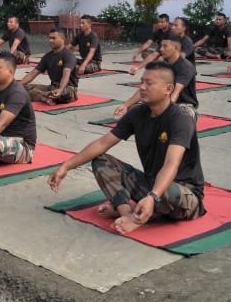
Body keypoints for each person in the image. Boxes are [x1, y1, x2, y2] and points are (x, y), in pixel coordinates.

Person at [48, 61, 205, 235]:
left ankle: (139, 215)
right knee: (101, 160)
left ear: (168, 89)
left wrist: (153, 196)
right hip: (151, 186)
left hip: (183, 195)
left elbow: (171, 164)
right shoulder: (137, 114)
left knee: (165, 189)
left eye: (149, 83)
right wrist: (66, 166)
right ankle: (127, 213)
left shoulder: (180, 118)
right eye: (142, 82)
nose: (142, 87)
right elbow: (102, 143)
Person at [114, 36, 198, 121]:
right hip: (161, 102)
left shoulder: (186, 67)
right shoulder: (161, 65)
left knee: (180, 117)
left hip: (183, 105)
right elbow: (146, 88)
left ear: (176, 48)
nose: (161, 49)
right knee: (132, 109)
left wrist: (164, 113)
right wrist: (125, 105)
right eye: (161, 46)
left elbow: (175, 93)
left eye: (165, 46)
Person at [18, 28, 78, 104]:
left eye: (54, 38)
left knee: (63, 93)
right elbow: (33, 73)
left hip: (68, 89)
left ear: (62, 39)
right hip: (52, 87)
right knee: (23, 88)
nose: (50, 40)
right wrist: (18, 85)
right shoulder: (48, 56)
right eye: (49, 38)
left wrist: (60, 89)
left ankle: (41, 95)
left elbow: (66, 72)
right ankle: (44, 97)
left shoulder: (69, 55)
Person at [130, 16, 196, 75]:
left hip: (186, 73)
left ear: (184, 28)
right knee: (148, 55)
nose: (173, 27)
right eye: (173, 25)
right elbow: (154, 54)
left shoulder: (187, 42)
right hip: (173, 71)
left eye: (176, 25)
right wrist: (137, 67)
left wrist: (161, 62)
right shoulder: (170, 39)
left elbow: (180, 59)